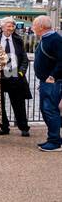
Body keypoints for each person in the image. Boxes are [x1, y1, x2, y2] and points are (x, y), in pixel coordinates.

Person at [0, 18, 30, 136]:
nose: (11, 28)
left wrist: (21, 73)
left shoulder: (18, 40)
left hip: (15, 74)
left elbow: (24, 59)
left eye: (12, 26)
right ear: (2, 27)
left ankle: (23, 127)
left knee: (19, 103)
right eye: (8, 26)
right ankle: (4, 127)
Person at [32, 14, 62, 151]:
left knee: (50, 110)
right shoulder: (48, 38)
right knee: (47, 110)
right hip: (47, 82)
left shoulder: (54, 39)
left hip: (52, 82)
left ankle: (55, 142)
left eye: (34, 25)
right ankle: (54, 139)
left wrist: (52, 76)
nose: (32, 27)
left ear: (41, 27)